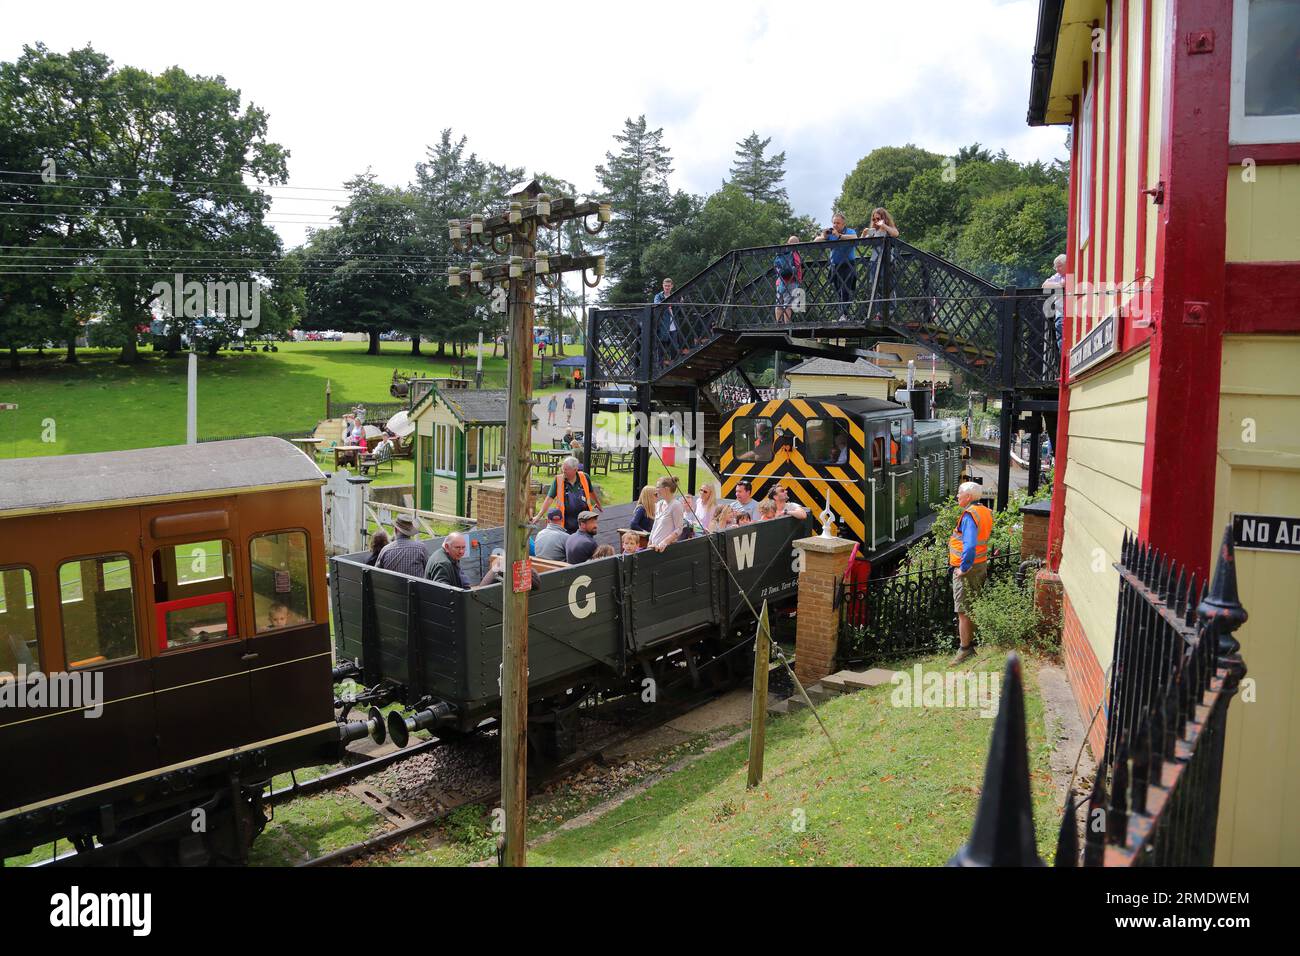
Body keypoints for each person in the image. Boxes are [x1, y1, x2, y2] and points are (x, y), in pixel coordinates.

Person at [950, 481, 994, 665]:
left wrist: (963, 568)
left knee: (962, 610)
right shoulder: (984, 511)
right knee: (972, 605)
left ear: (968, 497)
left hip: (968, 568)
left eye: (959, 493)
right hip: (980, 565)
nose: (957, 496)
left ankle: (964, 649)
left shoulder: (969, 515)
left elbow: (969, 546)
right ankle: (971, 645)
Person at [534, 456, 601, 533]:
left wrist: (598, 503)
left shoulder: (584, 477)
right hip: (566, 524)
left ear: (575, 470)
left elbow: (591, 492)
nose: (563, 471)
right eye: (563, 469)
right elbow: (549, 499)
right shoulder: (558, 480)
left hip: (584, 523)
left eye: (566, 470)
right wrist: (538, 516)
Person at [815, 212, 858, 321]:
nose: (835, 225)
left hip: (848, 265)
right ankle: (842, 314)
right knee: (838, 290)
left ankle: (845, 314)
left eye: (838, 223)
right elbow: (815, 241)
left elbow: (855, 238)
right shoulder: (831, 234)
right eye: (834, 222)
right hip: (835, 266)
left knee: (846, 290)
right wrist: (824, 236)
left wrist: (839, 236)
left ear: (843, 224)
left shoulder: (849, 231)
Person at [862, 207, 899, 295]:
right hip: (874, 262)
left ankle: (891, 309)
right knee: (876, 289)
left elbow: (896, 233)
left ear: (884, 218)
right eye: (874, 219)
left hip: (887, 261)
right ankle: (878, 309)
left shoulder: (888, 228)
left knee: (889, 287)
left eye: (878, 218)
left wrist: (884, 226)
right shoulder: (873, 231)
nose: (875, 221)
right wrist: (863, 233)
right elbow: (863, 243)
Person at [649, 475, 685, 552]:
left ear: (666, 489)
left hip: (666, 550)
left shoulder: (676, 505)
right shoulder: (659, 504)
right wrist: (649, 542)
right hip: (654, 547)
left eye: (658, 487)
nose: (656, 489)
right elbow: (655, 525)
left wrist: (664, 543)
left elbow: (679, 529)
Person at [774, 236, 804, 323]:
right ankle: (787, 324)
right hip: (791, 281)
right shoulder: (794, 254)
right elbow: (798, 268)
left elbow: (776, 266)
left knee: (779, 303)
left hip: (780, 281)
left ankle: (779, 323)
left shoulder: (781, 253)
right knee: (788, 304)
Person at [653, 277, 680, 367]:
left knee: (674, 347)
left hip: (673, 325)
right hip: (663, 325)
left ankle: (673, 365)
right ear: (663, 286)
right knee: (661, 347)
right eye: (665, 286)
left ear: (672, 286)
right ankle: (660, 367)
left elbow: (679, 307)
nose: (667, 288)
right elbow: (657, 305)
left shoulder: (675, 296)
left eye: (668, 286)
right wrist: (667, 305)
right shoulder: (659, 296)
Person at [1043, 253, 1067, 354]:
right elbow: (1044, 285)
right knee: (1060, 338)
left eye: (1059, 266)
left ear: (1067, 264)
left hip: (1073, 312)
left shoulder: (1073, 272)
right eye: (1055, 267)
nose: (1057, 269)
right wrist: (1060, 285)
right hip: (1060, 313)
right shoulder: (1058, 276)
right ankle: (1064, 358)